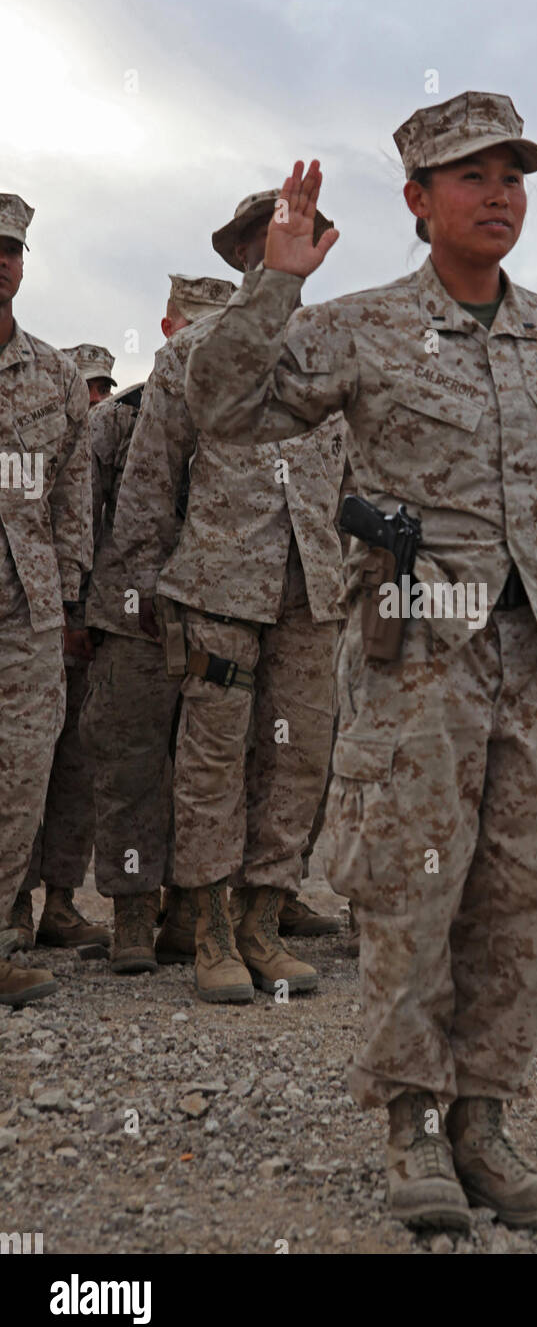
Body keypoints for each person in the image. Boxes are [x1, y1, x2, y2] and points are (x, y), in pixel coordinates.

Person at [183, 92, 537, 1232]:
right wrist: (276, 282)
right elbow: (219, 409)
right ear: (416, 202)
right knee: (414, 890)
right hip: (421, 657)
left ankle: (485, 1122)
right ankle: (411, 1122)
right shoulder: (361, 328)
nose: (498, 193)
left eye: (511, 172)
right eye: (470, 176)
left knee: (526, 897)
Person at [117, 194, 344, 1001]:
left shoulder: (329, 356)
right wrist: (139, 581)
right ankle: (210, 931)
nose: (280, 247)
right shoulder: (195, 355)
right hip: (219, 582)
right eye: (264, 236)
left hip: (313, 590)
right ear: (242, 253)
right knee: (212, 757)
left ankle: (262, 925)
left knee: (296, 761)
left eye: (297, 235)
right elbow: (152, 474)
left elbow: (362, 476)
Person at [78, 275, 234, 975]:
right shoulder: (120, 418)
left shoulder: (241, 423)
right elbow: (83, 517)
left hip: (214, 618)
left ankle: (193, 912)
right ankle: (133, 913)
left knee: (206, 771)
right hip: (134, 620)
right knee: (132, 766)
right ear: (169, 331)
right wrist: (79, 609)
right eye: (193, 325)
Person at [0, 193, 92, 1005]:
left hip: (26, 609)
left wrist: (70, 601)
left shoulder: (56, 375)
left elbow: (69, 494)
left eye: (9, 249)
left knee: (21, 773)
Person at [13, 346, 120, 955]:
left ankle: (60, 900)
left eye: (104, 386)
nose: (98, 397)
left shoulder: (118, 434)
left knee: (76, 770)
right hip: (38, 616)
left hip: (91, 618)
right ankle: (17, 906)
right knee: (26, 767)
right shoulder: (56, 442)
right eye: (89, 386)